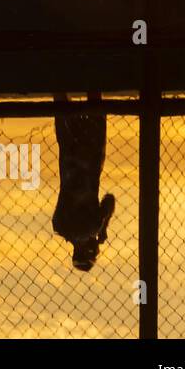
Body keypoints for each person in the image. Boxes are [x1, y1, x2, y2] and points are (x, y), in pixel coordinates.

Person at [52, 94, 115, 271]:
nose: (97, 250)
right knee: (62, 106)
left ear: (88, 251)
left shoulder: (93, 227)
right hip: (69, 159)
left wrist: (103, 228)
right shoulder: (60, 226)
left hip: (90, 159)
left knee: (95, 104)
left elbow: (109, 200)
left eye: (94, 253)